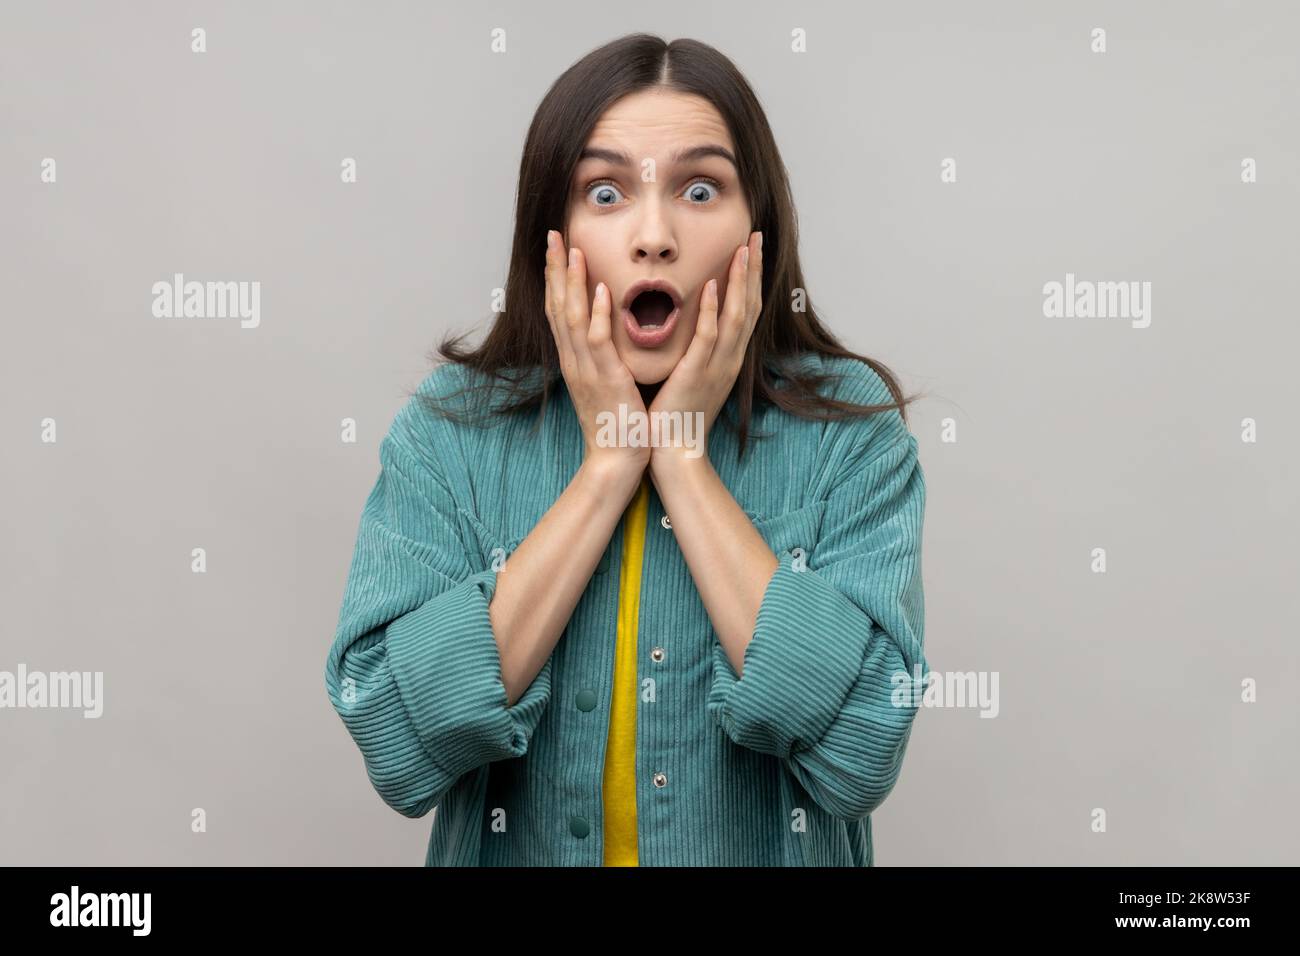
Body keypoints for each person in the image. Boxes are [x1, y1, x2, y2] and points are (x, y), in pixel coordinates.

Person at [324, 33, 928, 866]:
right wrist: (610, 465)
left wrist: (680, 456)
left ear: (759, 230)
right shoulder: (450, 429)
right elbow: (393, 733)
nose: (654, 236)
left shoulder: (851, 432)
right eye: (604, 193)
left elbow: (863, 749)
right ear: (553, 235)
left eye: (701, 188)